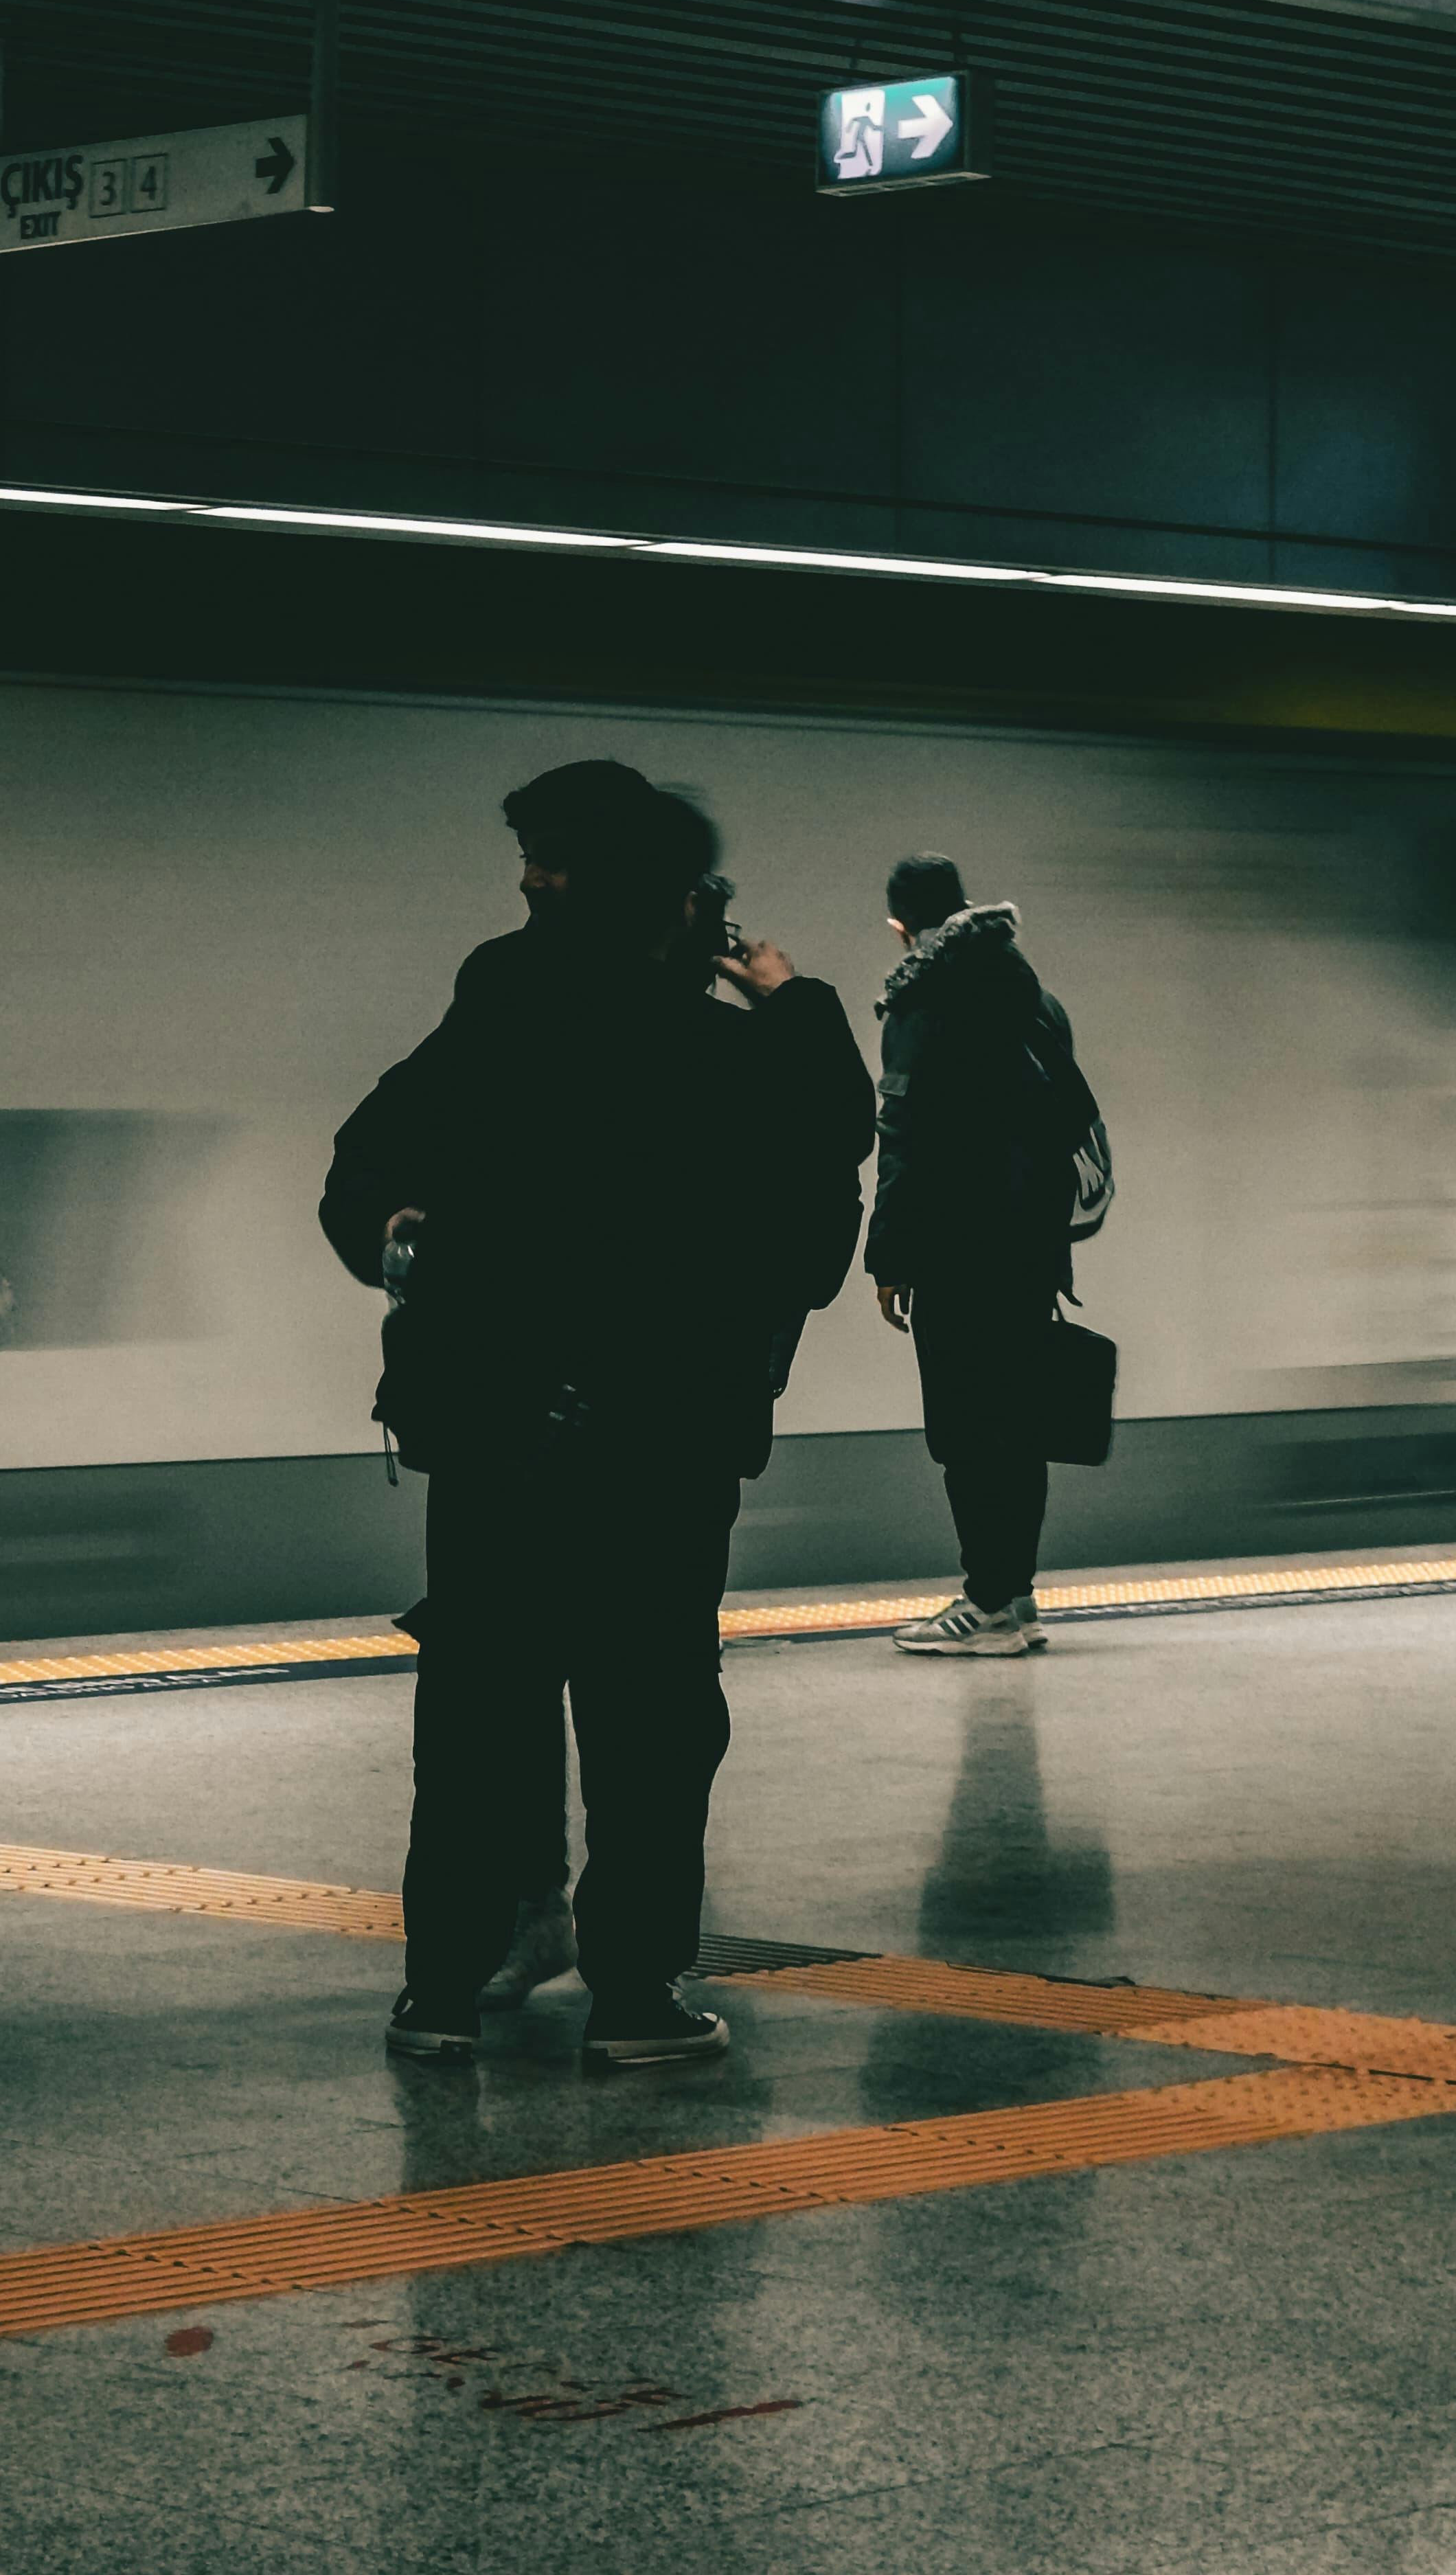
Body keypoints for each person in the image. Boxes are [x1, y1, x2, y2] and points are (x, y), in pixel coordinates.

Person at [321, 759, 875, 2067]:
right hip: (660, 1447)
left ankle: (441, 1989)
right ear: (682, 901)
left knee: (477, 1714)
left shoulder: (497, 1007)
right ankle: (634, 1996)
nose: (530, 879)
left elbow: (363, 1162)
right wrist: (796, 1000)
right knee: (652, 1723)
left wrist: (407, 1242)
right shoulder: (725, 1054)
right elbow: (820, 1208)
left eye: (552, 858)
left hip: (495, 1431)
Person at [867, 853, 1096, 1658]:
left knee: (966, 1433)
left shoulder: (923, 998)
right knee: (1017, 1427)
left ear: (901, 926)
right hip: (1029, 1249)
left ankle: (988, 1603)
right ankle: (1017, 1595)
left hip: (956, 1250)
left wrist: (888, 1257)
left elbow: (903, 1137)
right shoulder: (1035, 998)